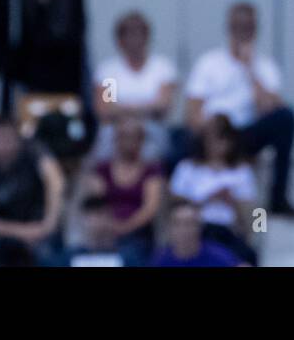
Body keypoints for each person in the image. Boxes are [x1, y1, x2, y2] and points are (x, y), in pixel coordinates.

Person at [182, 1, 294, 218]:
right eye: (237, 26)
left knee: (287, 117)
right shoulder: (209, 62)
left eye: (248, 27)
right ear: (228, 28)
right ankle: (182, 204)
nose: (242, 32)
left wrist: (249, 69)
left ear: (256, 30)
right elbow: (192, 111)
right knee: (176, 140)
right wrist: (213, 136)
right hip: (213, 129)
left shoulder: (265, 66)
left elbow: (268, 107)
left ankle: (279, 199)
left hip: (245, 134)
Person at [0, 116, 65, 266]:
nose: (4, 144)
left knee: (54, 257)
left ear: (18, 139)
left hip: (39, 226)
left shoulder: (34, 151)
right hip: (2, 231)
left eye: (8, 137)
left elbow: (56, 182)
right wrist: (23, 233)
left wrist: (49, 223)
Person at [169, 114, 259, 264]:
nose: (216, 144)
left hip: (227, 230)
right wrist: (205, 199)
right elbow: (172, 203)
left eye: (222, 138)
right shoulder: (187, 167)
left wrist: (232, 201)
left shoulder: (243, 172)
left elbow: (256, 213)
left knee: (249, 256)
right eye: (211, 138)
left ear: (231, 142)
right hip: (194, 231)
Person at [92, 10, 178, 160]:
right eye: (128, 34)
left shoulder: (162, 68)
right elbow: (105, 109)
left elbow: (163, 106)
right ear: (120, 40)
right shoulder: (109, 71)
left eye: (139, 34)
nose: (134, 40)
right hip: (116, 132)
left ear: (147, 37)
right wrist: (143, 109)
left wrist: (123, 108)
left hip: (151, 132)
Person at [83, 116, 164, 264]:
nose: (129, 143)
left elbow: (150, 207)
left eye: (134, 137)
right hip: (106, 233)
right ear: (116, 139)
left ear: (141, 141)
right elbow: (97, 202)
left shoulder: (152, 170)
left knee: (132, 254)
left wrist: (125, 228)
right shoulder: (102, 170)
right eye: (125, 137)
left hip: (139, 235)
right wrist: (110, 227)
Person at [150, 199, 241, 267]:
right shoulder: (160, 259)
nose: (184, 229)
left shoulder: (220, 257)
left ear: (200, 227)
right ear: (169, 227)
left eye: (189, 223)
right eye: (177, 223)